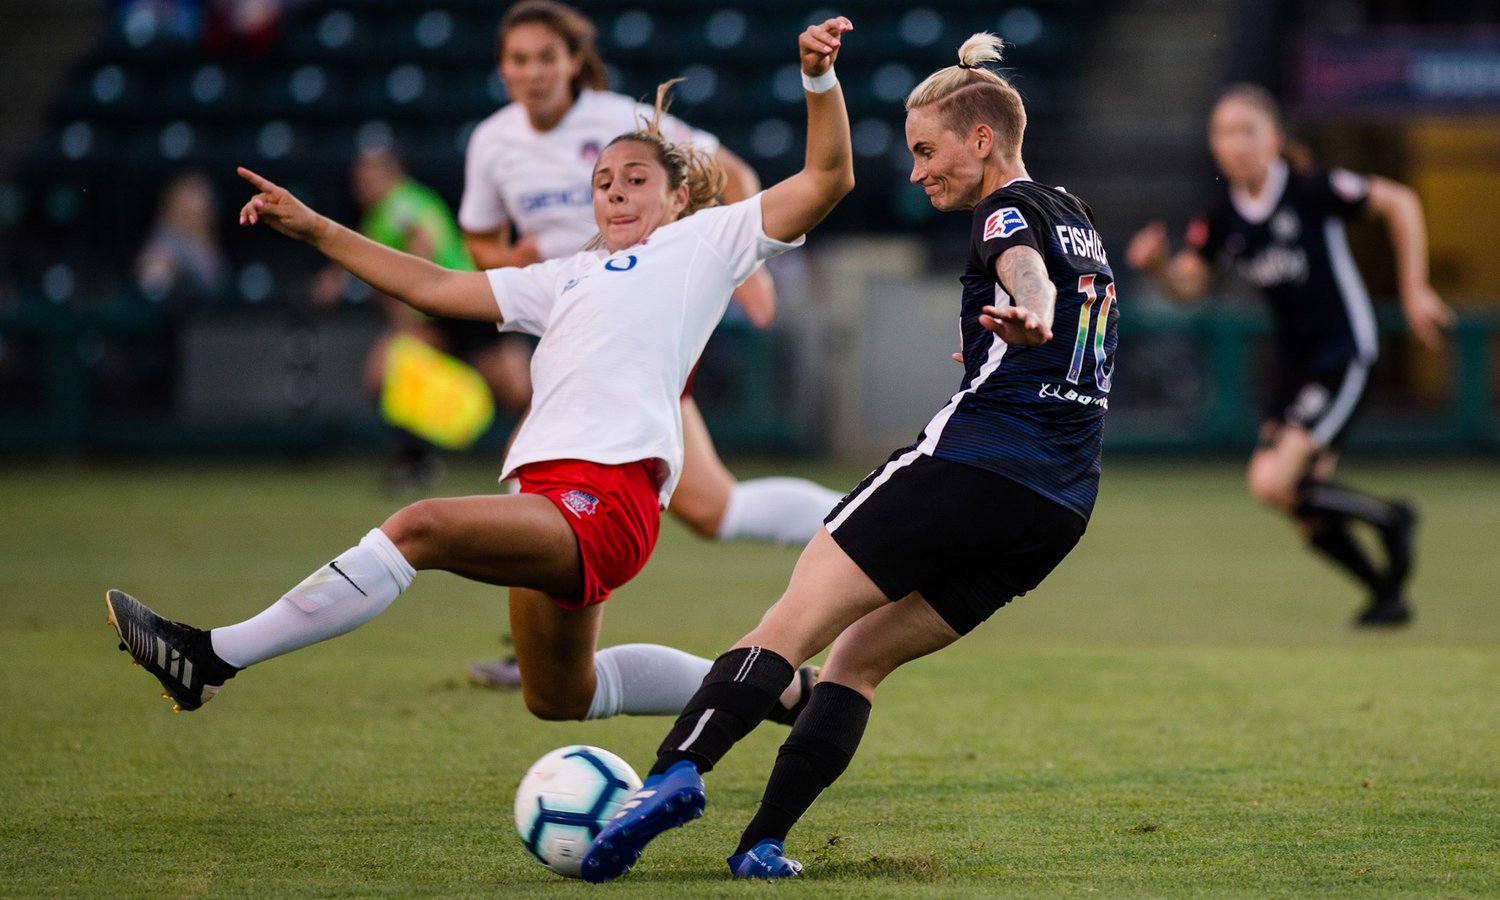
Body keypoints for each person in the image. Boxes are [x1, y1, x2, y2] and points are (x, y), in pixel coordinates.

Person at [104, 17, 854, 738]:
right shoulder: (563, 276)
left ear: (679, 196)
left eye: (635, 178)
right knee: (561, 696)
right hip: (546, 491)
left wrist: (817, 79)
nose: (617, 191)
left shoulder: (703, 243)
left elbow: (827, 177)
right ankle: (783, 689)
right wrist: (318, 228)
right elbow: (433, 286)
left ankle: (210, 658)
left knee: (419, 527)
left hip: (608, 499)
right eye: (603, 181)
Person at [580, 32, 1116, 882]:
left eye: (926, 150)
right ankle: (761, 844)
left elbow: (1025, 271)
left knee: (789, 626)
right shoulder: (1077, 214)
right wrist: (1010, 338)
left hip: (974, 465)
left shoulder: (1005, 209)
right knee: (859, 662)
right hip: (1058, 507)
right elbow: (1059, 309)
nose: (916, 172)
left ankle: (670, 775)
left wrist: (1030, 309)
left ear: (981, 140)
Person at [460, 0, 848, 688]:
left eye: (545, 57)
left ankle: (878, 526)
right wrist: (506, 256)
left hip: (638, 326)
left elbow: (729, 172)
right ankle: (876, 525)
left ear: (574, 62)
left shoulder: (615, 122)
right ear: (501, 68)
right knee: (711, 508)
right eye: (518, 59)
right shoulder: (492, 140)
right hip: (571, 327)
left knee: (568, 484)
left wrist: (745, 270)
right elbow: (481, 240)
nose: (532, 72)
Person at [1124, 83, 1454, 627]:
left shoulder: (1308, 190)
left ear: (1275, 139)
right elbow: (1191, 284)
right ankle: (1386, 591)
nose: (1235, 145)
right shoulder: (1222, 215)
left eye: (1246, 131)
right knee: (1294, 501)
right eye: (1223, 133)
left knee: (1276, 483)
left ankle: (1394, 521)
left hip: (1344, 351)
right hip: (1295, 364)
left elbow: (1400, 201)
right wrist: (1159, 267)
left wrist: (1415, 289)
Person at [312, 145, 532, 491]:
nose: (362, 183)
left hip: (463, 304)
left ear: (392, 172)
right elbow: (365, 255)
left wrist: (404, 307)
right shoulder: (379, 216)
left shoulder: (402, 202)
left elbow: (421, 241)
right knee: (383, 370)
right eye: (359, 176)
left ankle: (547, 456)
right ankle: (415, 462)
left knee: (517, 389)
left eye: (370, 174)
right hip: (444, 312)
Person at [135, 170, 229, 301]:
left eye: (204, 198)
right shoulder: (165, 243)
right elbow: (154, 281)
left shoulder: (203, 241)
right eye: (191, 197)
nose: (201, 206)